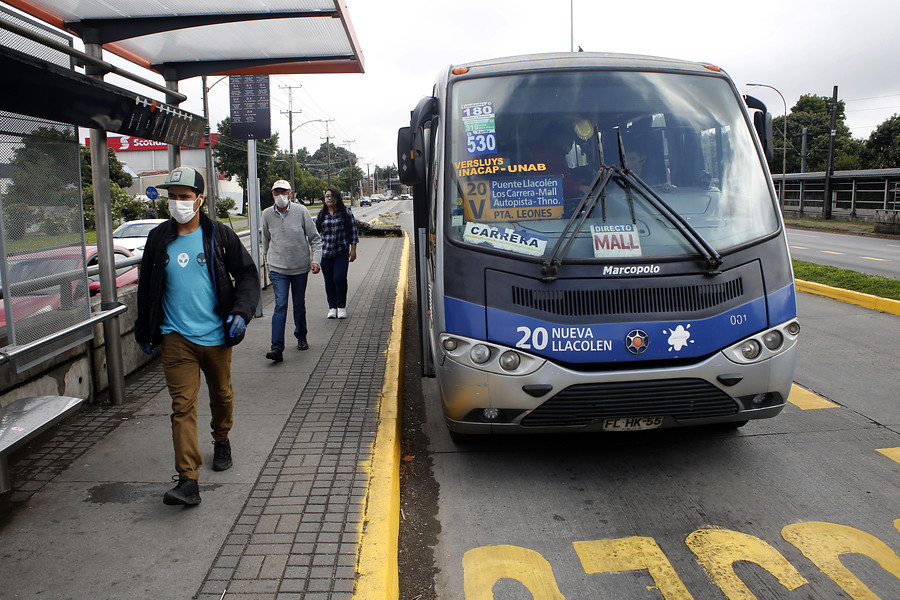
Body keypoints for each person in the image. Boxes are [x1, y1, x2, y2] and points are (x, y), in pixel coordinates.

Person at [134, 166, 260, 506]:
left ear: (200, 199)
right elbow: (147, 287)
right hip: (176, 336)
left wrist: (240, 313)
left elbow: (247, 276)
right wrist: (143, 328)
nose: (177, 203)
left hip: (216, 334)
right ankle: (188, 479)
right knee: (182, 406)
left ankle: (221, 437)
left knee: (221, 394)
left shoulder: (220, 235)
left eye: (184, 197)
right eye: (172, 197)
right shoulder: (159, 238)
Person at [262, 179, 322, 362]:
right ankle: (277, 347)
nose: (280, 196)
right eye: (276, 192)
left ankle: (301, 335)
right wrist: (267, 266)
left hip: (299, 268)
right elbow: (264, 242)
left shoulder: (301, 211)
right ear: (272, 194)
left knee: (298, 304)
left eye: (283, 192)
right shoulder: (266, 214)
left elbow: (315, 239)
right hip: (278, 268)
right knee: (280, 305)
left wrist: (316, 261)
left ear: (290, 193)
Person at [315, 187, 359, 319]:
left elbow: (352, 231)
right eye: (327, 196)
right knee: (329, 281)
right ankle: (332, 307)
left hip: (341, 252)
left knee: (339, 278)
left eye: (332, 196)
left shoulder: (346, 213)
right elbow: (314, 235)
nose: (330, 198)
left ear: (337, 198)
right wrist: (313, 254)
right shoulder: (321, 215)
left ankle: (341, 306)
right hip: (325, 253)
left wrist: (353, 250)